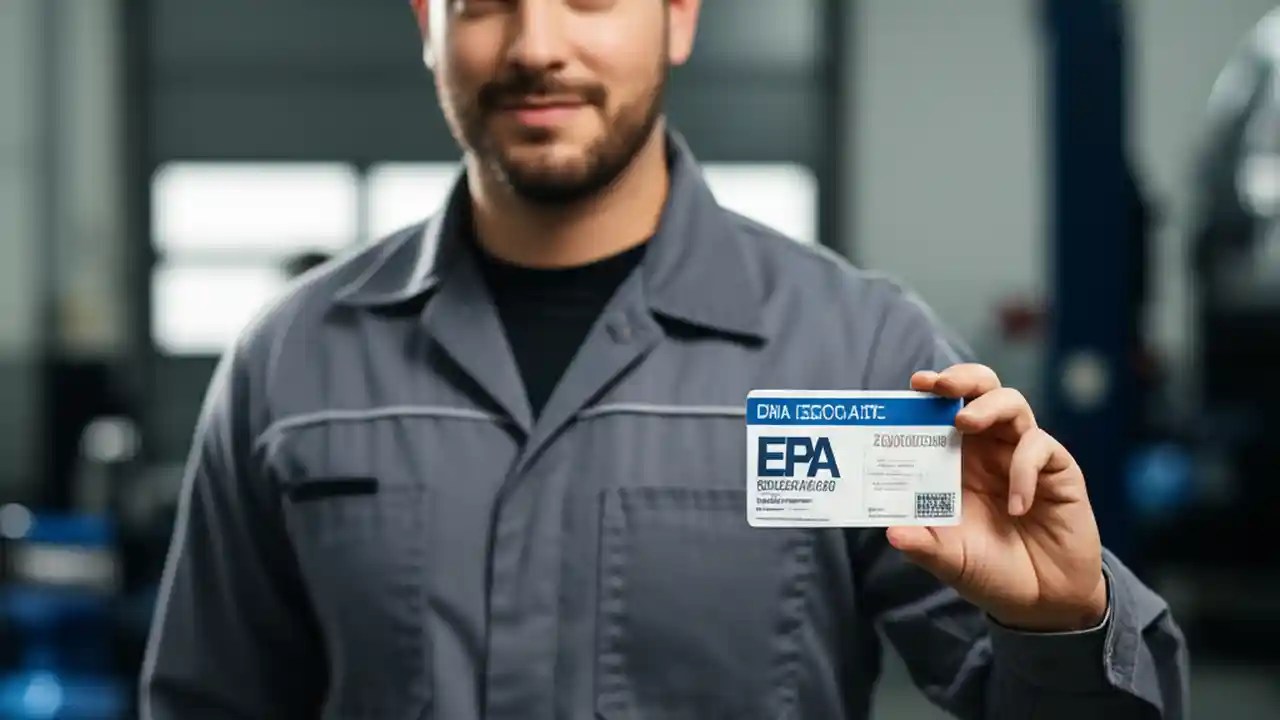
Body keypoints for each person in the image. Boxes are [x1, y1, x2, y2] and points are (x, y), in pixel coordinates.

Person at [141, 0, 1189, 717]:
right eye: (487, 1)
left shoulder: (856, 358)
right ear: (428, 20)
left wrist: (1058, 624)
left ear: (678, 15)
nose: (535, 44)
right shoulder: (294, 366)